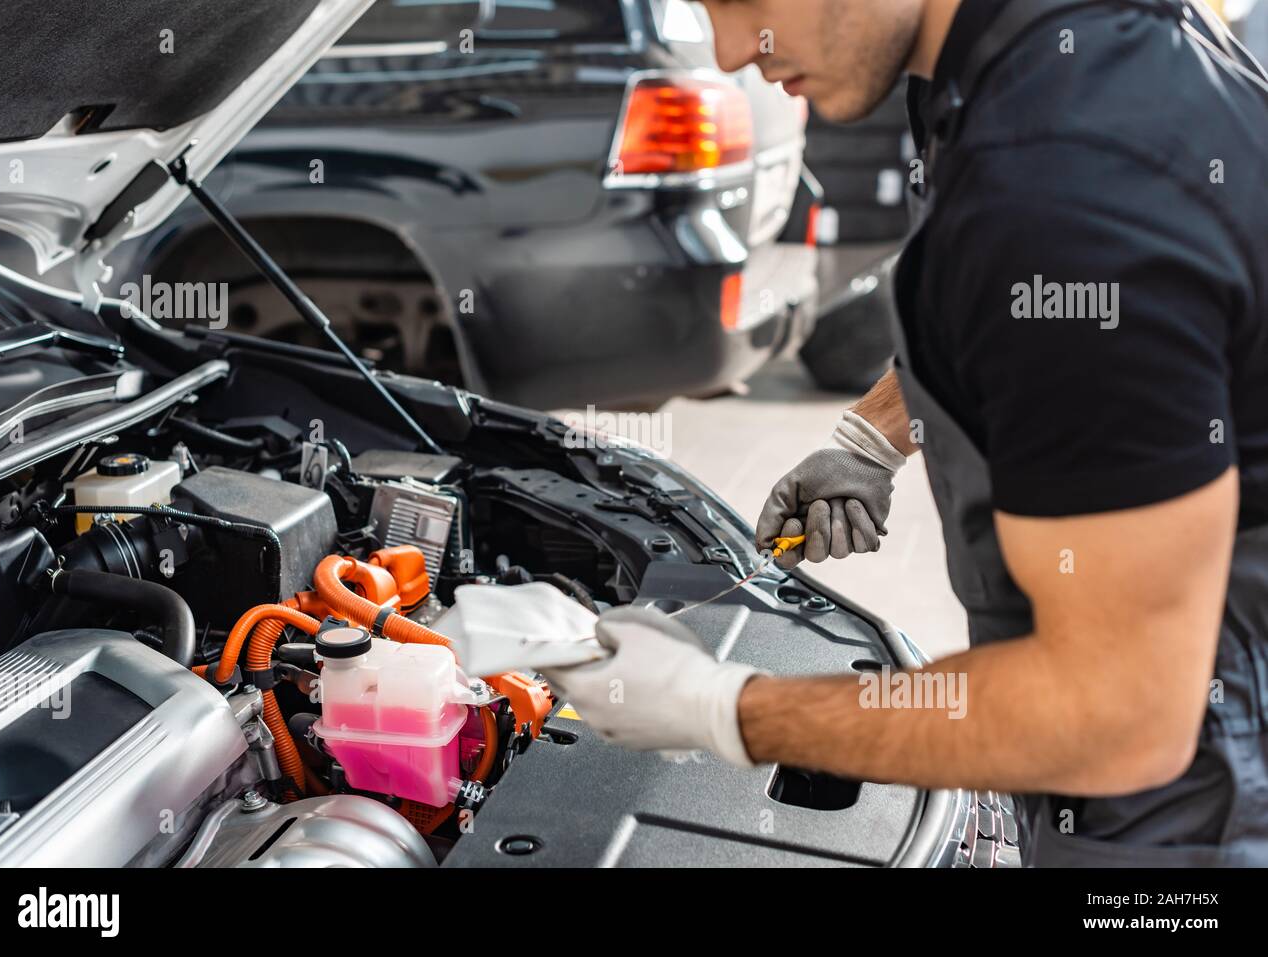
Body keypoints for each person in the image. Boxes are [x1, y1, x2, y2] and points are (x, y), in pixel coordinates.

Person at [543, 0, 1268, 866]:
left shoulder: (1067, 184)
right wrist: (873, 437)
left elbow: (1118, 712)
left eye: (743, 1)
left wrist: (725, 707)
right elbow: (1029, 316)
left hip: (1189, 807)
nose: (735, 49)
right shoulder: (1010, 54)